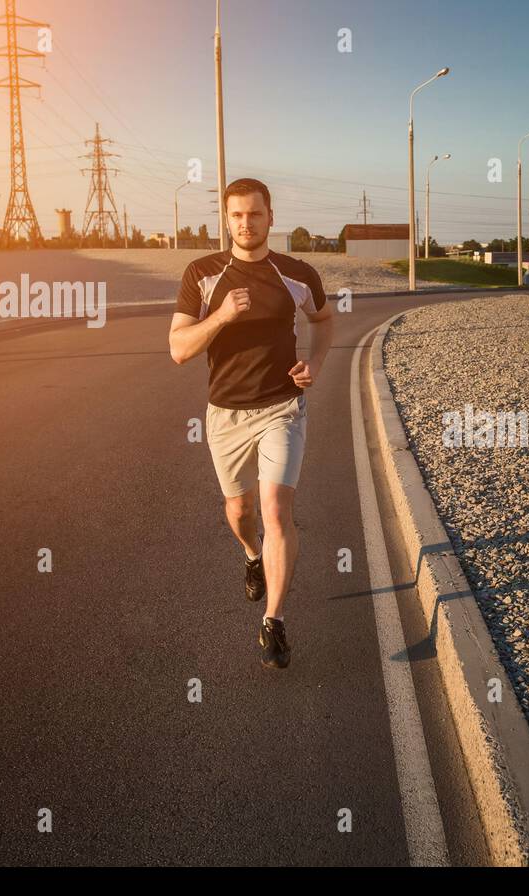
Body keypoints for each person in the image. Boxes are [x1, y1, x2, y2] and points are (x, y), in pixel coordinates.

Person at [169, 178, 334, 668]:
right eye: (237, 215)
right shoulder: (201, 273)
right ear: (226, 219)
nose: (246, 223)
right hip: (225, 415)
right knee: (241, 513)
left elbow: (323, 320)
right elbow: (179, 350)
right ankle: (250, 555)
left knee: (277, 511)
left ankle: (274, 621)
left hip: (281, 407)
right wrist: (220, 316)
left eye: (255, 214)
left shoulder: (296, 273)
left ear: (270, 216)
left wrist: (317, 364)